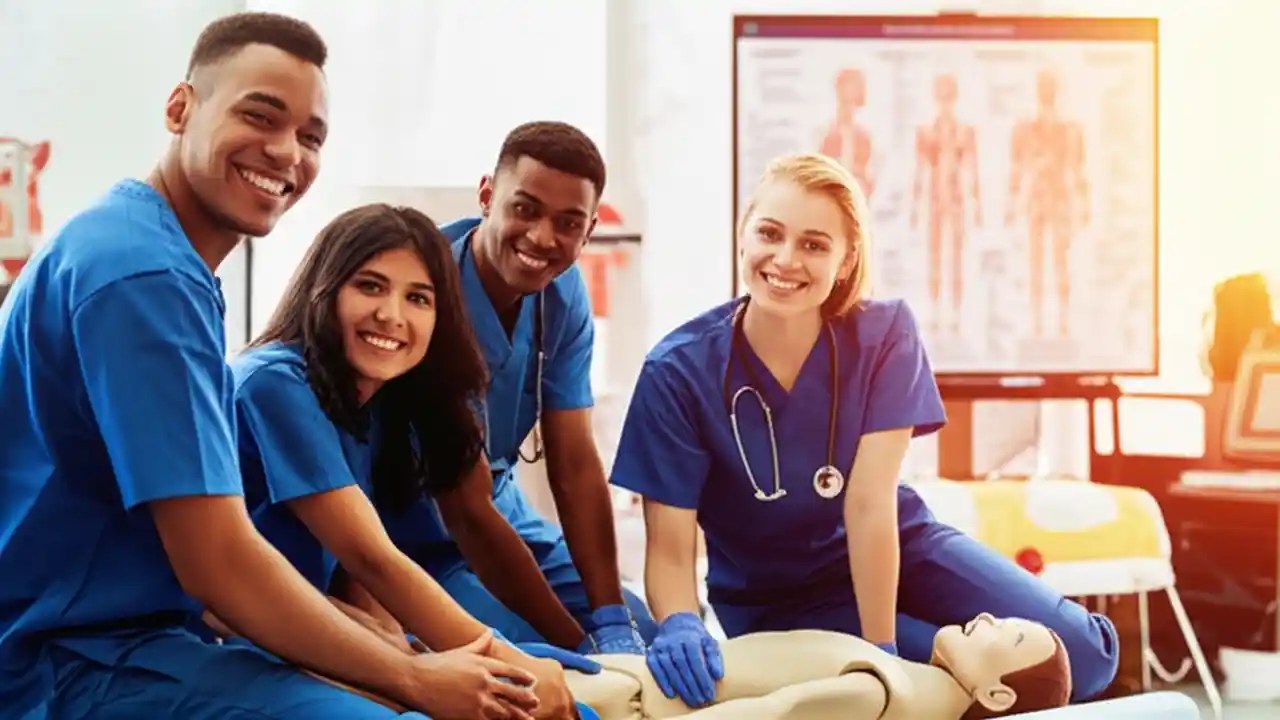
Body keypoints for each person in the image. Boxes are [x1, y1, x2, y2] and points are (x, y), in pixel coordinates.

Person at [0, 12, 539, 719]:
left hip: (146, 640)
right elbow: (219, 562)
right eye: (260, 116)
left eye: (311, 137)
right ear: (179, 108)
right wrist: (413, 679)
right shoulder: (145, 276)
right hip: (69, 663)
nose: (286, 152)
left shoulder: (153, 256)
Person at [608, 152, 1119, 709]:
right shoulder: (678, 372)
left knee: (1082, 657)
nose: (785, 259)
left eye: (814, 244)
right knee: (957, 687)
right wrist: (680, 621)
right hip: (781, 601)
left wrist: (883, 651)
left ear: (847, 259)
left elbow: (869, 506)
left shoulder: (883, 334)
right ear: (743, 234)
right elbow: (671, 547)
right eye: (770, 234)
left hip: (901, 549)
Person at [229, 202, 603, 719]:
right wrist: (501, 661)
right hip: (231, 635)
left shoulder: (372, 406)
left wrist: (416, 653)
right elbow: (371, 556)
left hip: (311, 619)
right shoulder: (274, 384)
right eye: (370, 287)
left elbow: (352, 579)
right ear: (324, 289)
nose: (392, 315)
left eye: (418, 298)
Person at [378, 121, 658, 655]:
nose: (542, 237)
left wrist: (611, 619)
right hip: (412, 535)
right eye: (525, 209)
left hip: (503, 509)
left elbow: (573, 462)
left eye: (568, 223)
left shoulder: (562, 295)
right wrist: (582, 644)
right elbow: (465, 508)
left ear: (589, 230)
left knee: (646, 633)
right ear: (487, 196)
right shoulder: (426, 288)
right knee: (541, 656)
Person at [565, 614, 1071, 719]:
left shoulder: (887, 692)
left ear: (997, 695)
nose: (988, 618)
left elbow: (774, 712)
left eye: (1009, 634)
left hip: (627, 701)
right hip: (623, 679)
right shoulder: (893, 673)